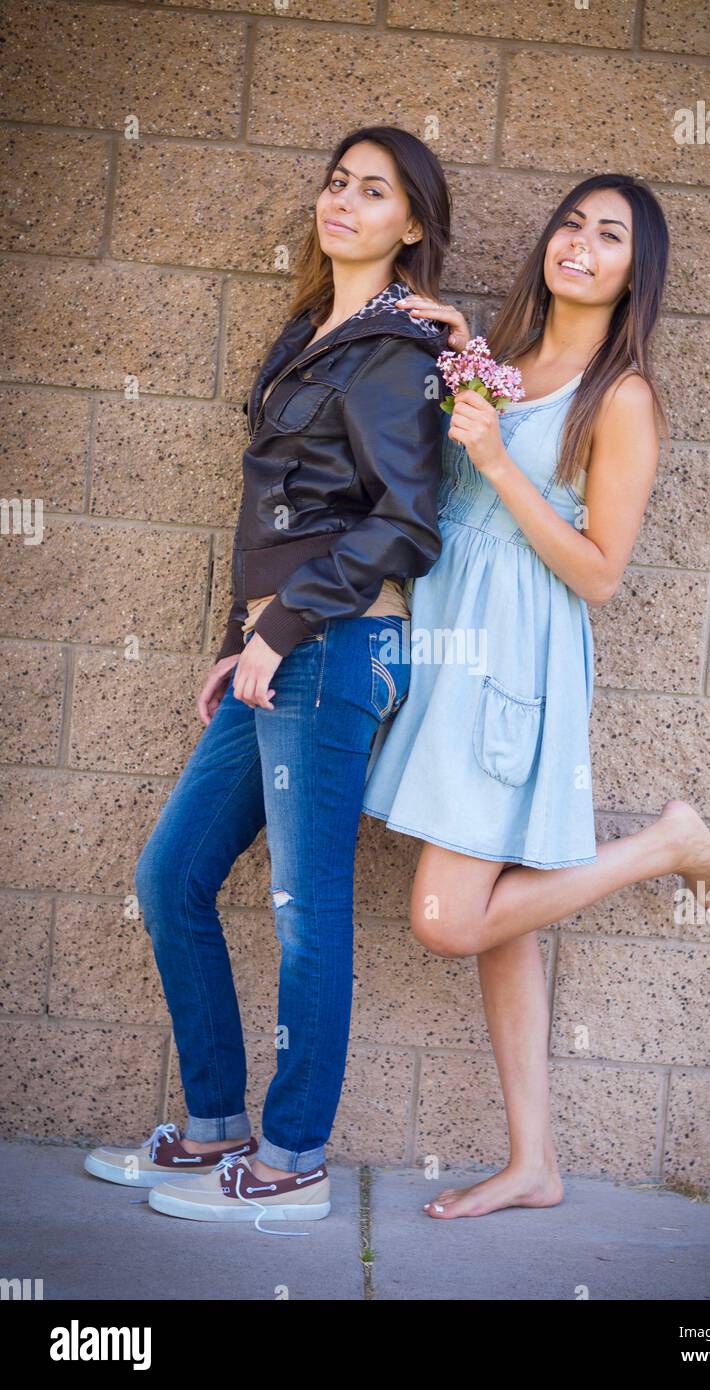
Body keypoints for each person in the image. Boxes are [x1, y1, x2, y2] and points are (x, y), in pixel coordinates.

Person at [84, 126, 457, 1231]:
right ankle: (214, 1129)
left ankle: (293, 1160)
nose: (341, 200)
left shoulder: (393, 348)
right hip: (274, 653)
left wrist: (282, 627)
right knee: (171, 878)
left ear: (411, 225)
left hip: (333, 649)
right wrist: (233, 635)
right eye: (335, 181)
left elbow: (405, 523)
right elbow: (269, 517)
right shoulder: (308, 332)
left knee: (306, 910)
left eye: (372, 190)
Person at [361, 173, 710, 1220]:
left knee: (447, 919)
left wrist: (493, 455)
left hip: (511, 669)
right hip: (447, 649)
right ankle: (536, 1160)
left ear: (633, 274)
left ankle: (663, 844)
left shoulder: (619, 398)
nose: (578, 242)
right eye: (570, 222)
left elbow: (601, 572)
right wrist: (451, 352)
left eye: (607, 235)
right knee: (499, 924)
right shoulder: (508, 363)